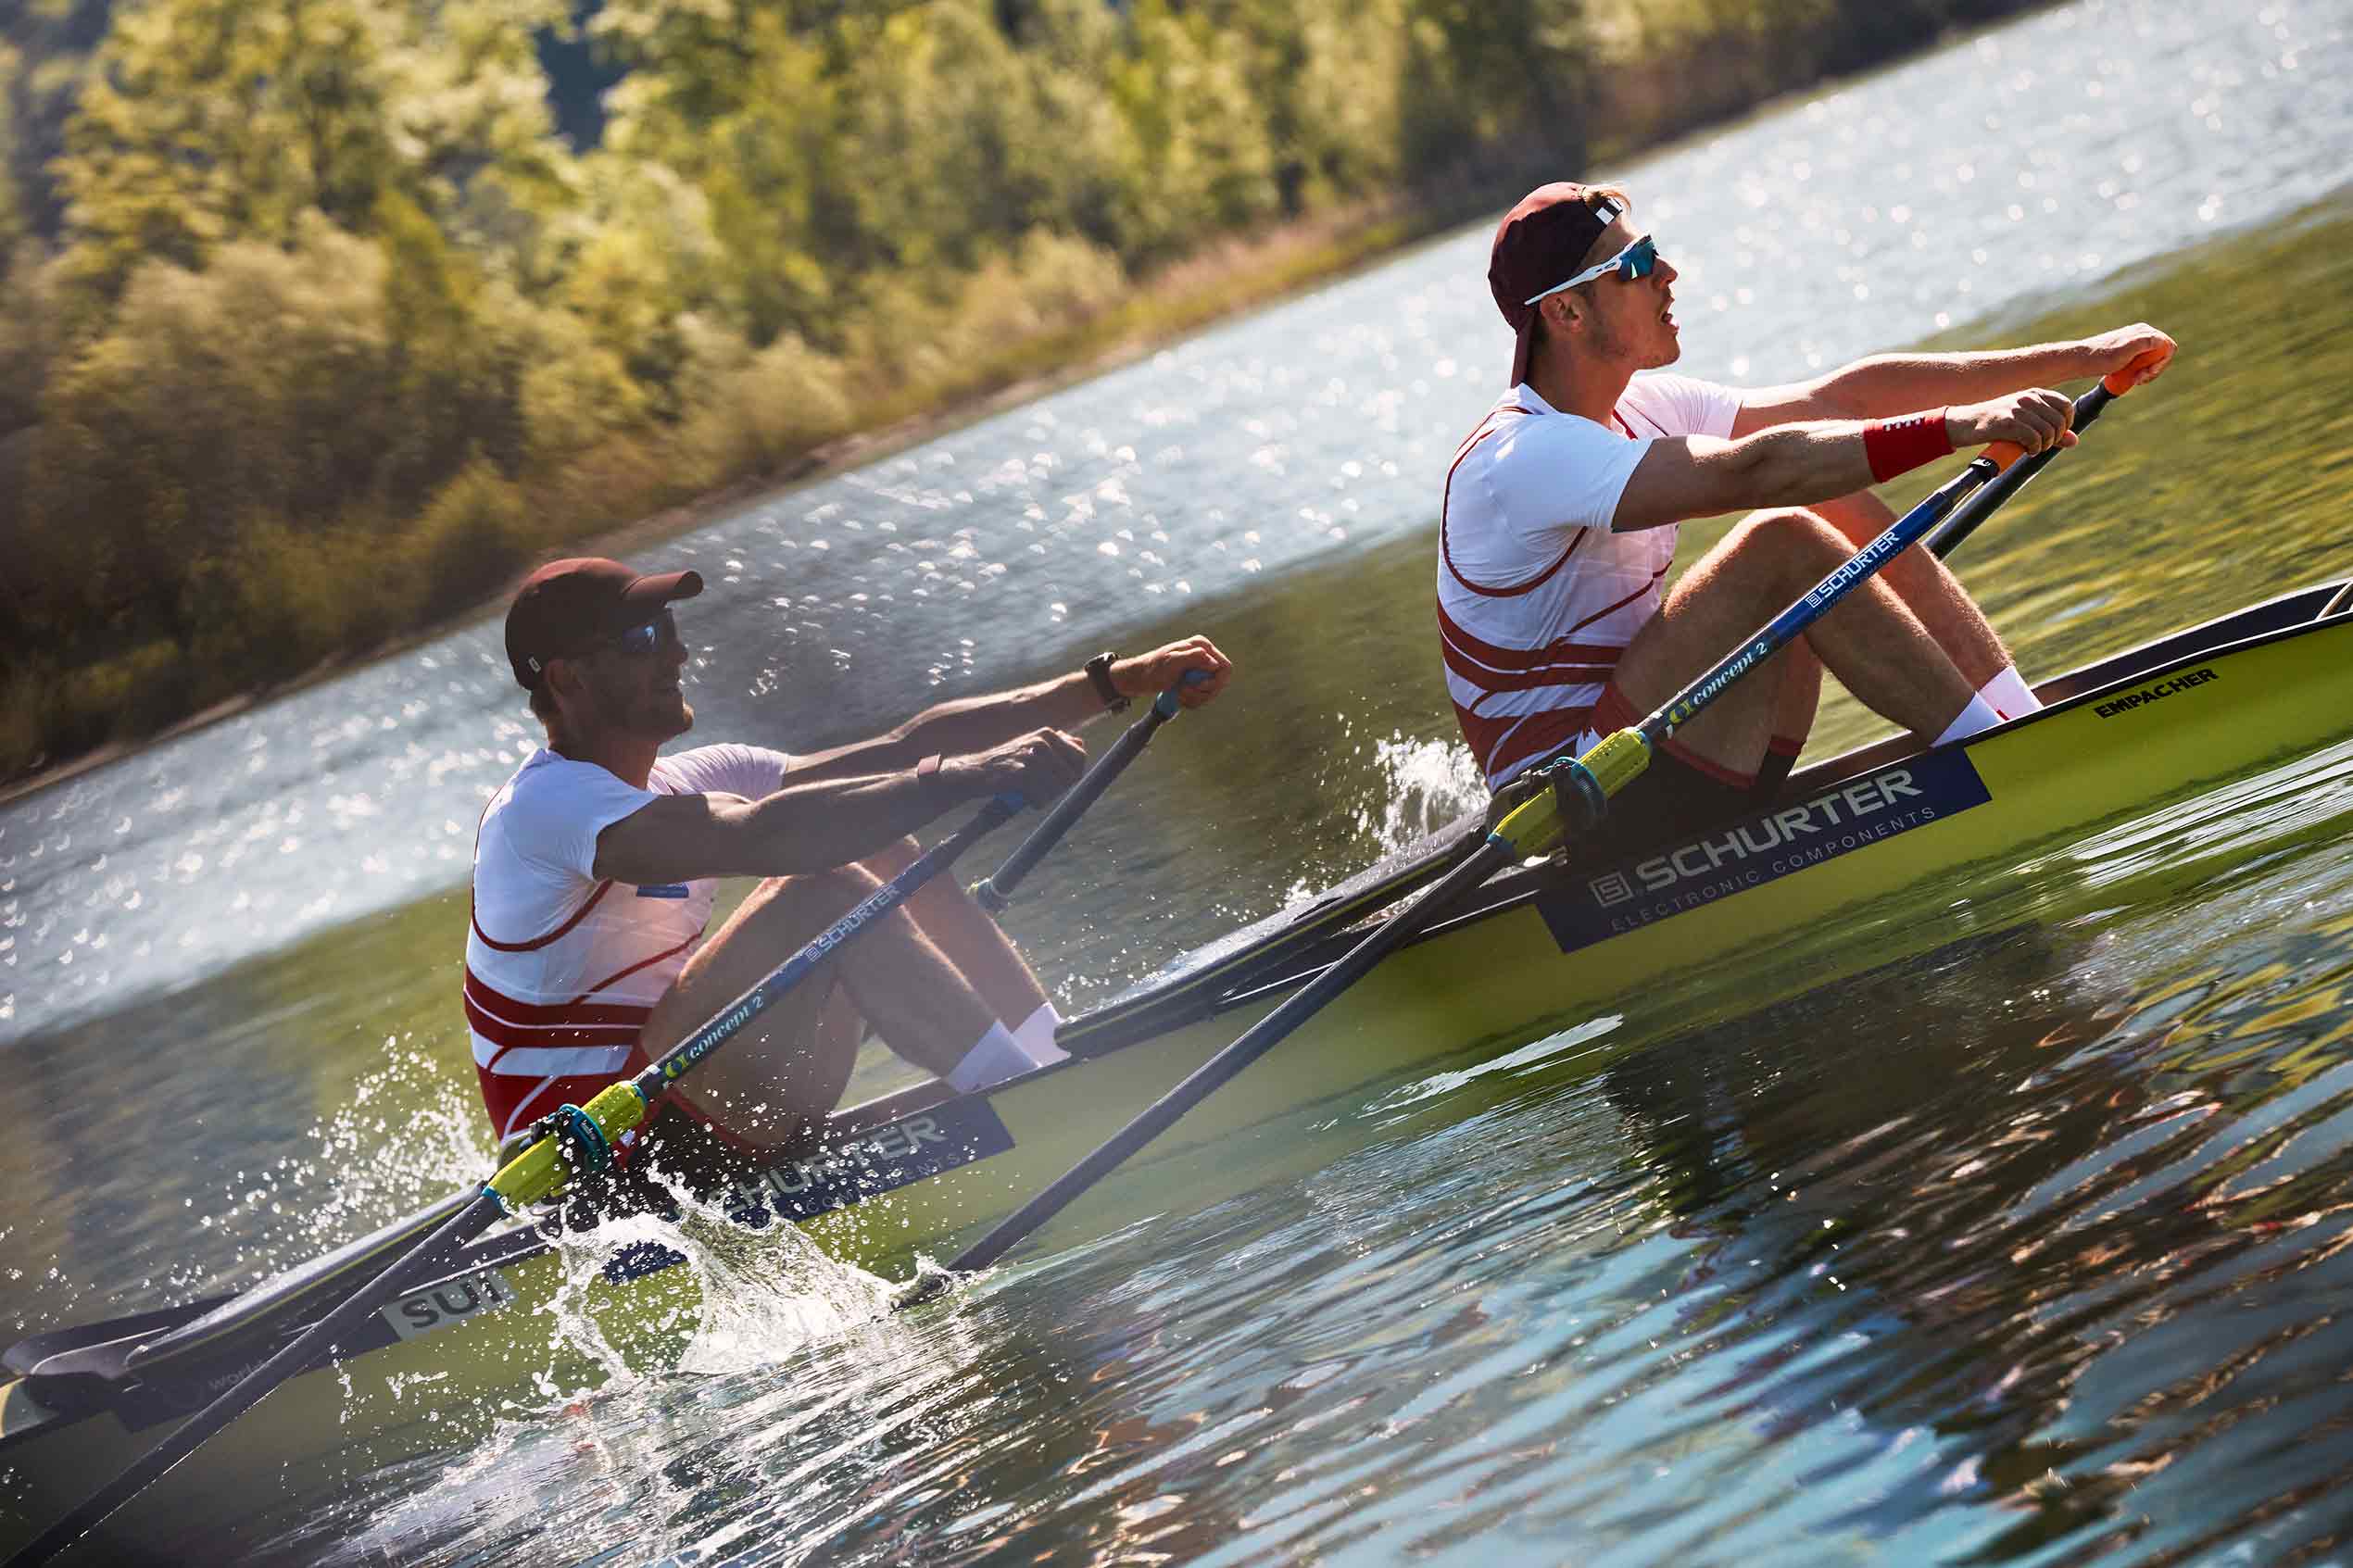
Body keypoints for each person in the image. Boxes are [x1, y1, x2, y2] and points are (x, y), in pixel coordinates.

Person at [1440, 181, 2175, 843]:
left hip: (1668, 753)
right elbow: (1758, 468)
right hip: (1581, 811)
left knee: (1825, 477)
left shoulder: (1642, 407)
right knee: (1783, 534)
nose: (1667, 274)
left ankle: (2012, 722)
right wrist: (1962, 426)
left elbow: (1838, 404)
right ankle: (2013, 769)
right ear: (1567, 311)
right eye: (1637, 265)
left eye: (1656, 252)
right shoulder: (1521, 460)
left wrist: (2086, 352)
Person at [466, 555, 1233, 1173]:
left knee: (871, 834)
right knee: (823, 885)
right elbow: (762, 838)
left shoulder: (695, 774)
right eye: (642, 641)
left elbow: (903, 747)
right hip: (592, 1169)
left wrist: (1113, 682)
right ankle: (1043, 1115)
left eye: (666, 627)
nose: (678, 651)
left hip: (687, 1108)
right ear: (566, 679)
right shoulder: (543, 811)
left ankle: (1047, 1056)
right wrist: (973, 775)